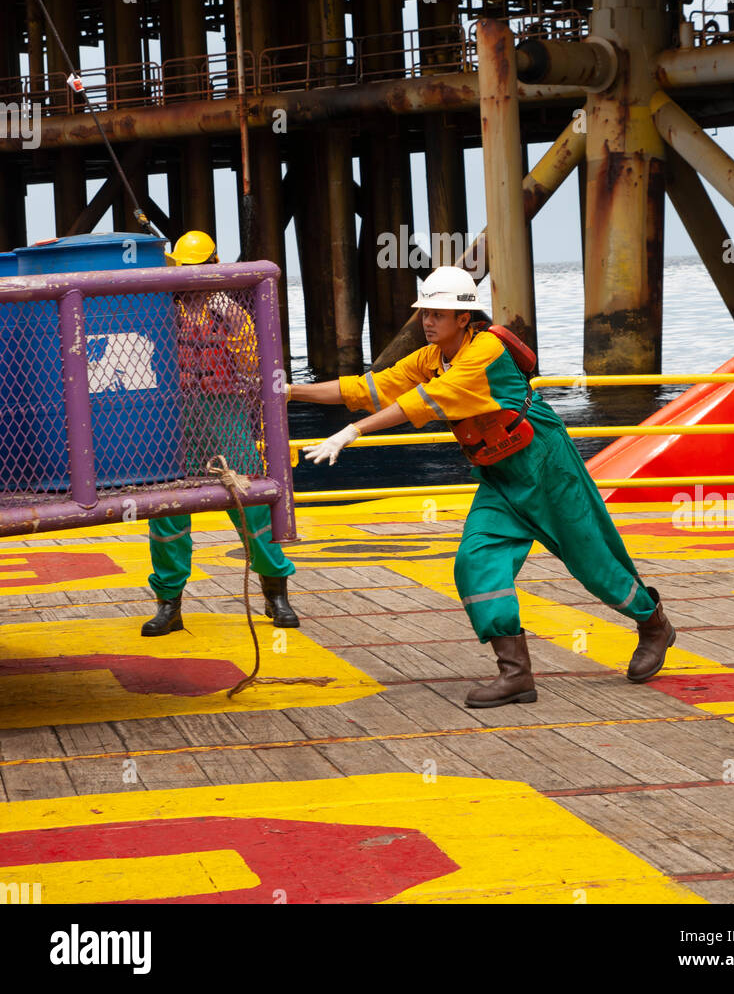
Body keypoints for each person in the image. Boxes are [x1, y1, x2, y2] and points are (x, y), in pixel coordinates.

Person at [289, 265, 675, 707]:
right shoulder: (431, 357)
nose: (428, 321)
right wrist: (290, 393)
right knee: (475, 562)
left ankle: (652, 624)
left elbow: (426, 402)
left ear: (463, 319)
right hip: (498, 472)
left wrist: (351, 433)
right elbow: (369, 388)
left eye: (439, 313)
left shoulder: (484, 351)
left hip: (544, 462)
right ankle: (516, 674)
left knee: (591, 559)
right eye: (425, 313)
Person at [141, 230, 299, 636]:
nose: (192, 276)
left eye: (198, 268)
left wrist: (231, 327)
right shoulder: (159, 307)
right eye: (185, 269)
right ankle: (169, 604)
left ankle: (275, 594)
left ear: (214, 267)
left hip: (224, 414)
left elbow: (251, 362)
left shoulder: (231, 310)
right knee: (166, 510)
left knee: (252, 502)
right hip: (171, 418)